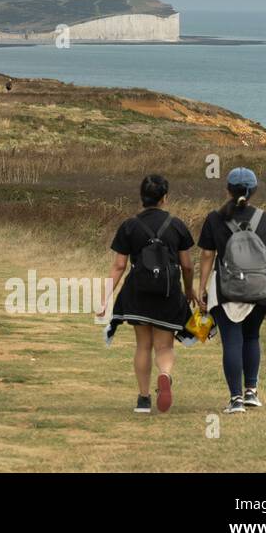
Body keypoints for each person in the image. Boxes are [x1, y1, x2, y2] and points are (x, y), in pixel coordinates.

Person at [196, 167, 266, 414]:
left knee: (231, 341)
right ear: (254, 191)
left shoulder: (214, 219)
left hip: (226, 290)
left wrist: (201, 289)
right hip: (259, 291)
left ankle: (236, 399)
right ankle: (251, 392)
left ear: (227, 190)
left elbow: (207, 255)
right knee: (252, 338)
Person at [102, 174, 197, 414]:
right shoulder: (177, 225)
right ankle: (164, 375)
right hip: (168, 294)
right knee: (164, 347)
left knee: (143, 345)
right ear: (165, 197)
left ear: (141, 196)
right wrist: (189, 290)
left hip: (137, 295)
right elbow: (187, 265)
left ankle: (143, 399)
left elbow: (119, 266)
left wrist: (105, 296)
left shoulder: (129, 226)